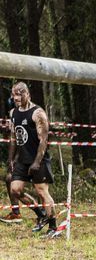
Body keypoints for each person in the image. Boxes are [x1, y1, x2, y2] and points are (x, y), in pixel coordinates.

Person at [5, 82, 58, 233]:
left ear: (27, 94)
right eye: (14, 94)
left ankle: (53, 226)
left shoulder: (37, 113)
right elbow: (14, 138)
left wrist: (36, 162)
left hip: (38, 159)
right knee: (15, 189)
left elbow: (44, 140)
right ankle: (41, 214)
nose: (17, 97)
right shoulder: (13, 113)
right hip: (22, 159)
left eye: (20, 94)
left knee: (42, 192)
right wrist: (10, 159)